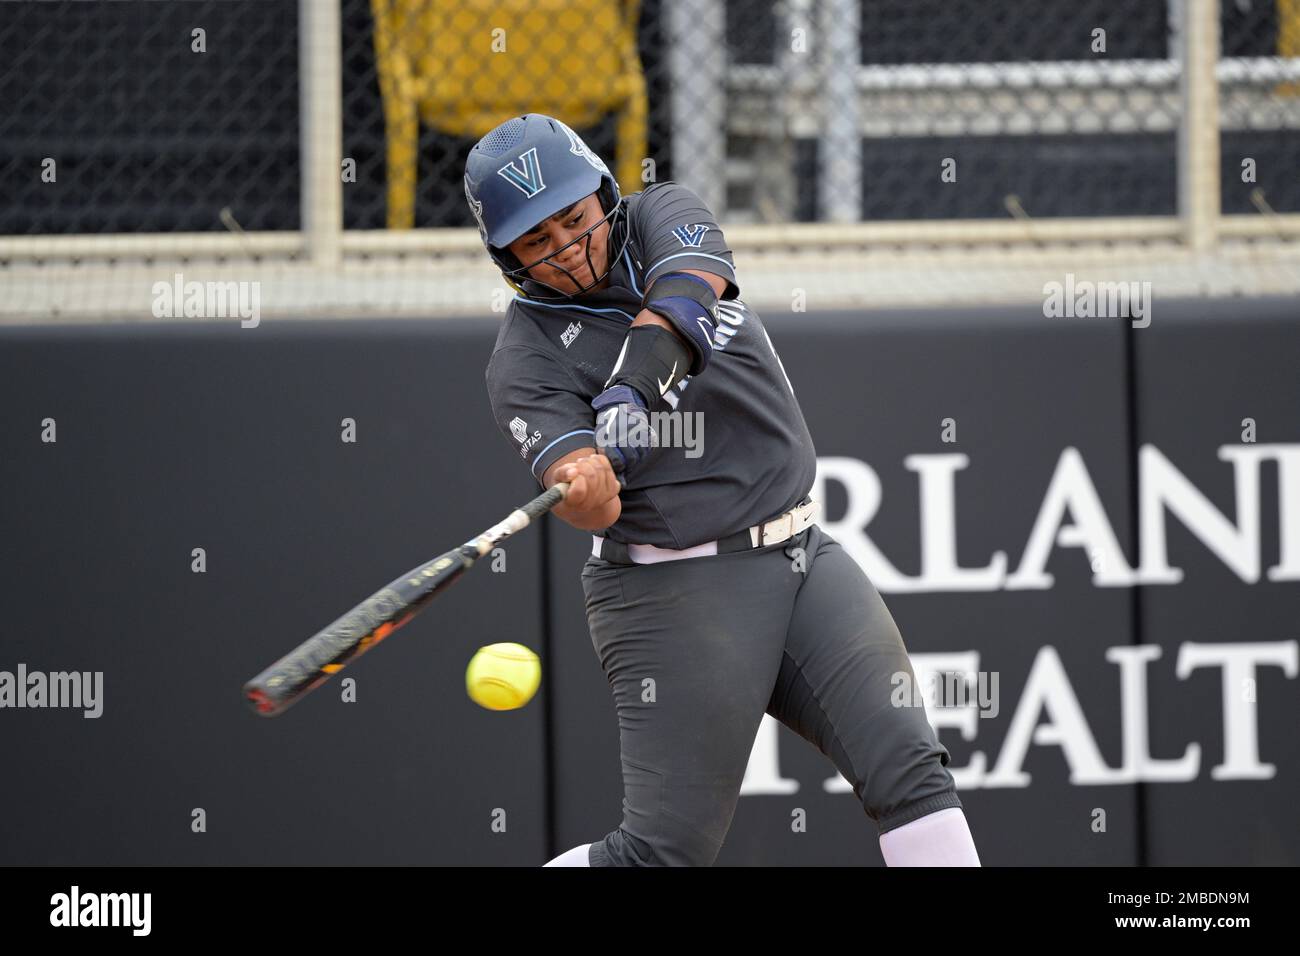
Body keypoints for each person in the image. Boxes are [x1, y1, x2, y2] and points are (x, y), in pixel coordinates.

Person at [464, 113, 980, 867]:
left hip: (802, 555)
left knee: (911, 770)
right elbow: (592, 504)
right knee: (663, 852)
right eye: (536, 243)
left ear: (603, 195)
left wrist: (635, 390)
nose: (568, 251)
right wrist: (584, 481)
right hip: (675, 590)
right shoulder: (524, 361)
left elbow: (687, 295)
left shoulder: (662, 214)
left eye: (574, 221)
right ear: (507, 258)